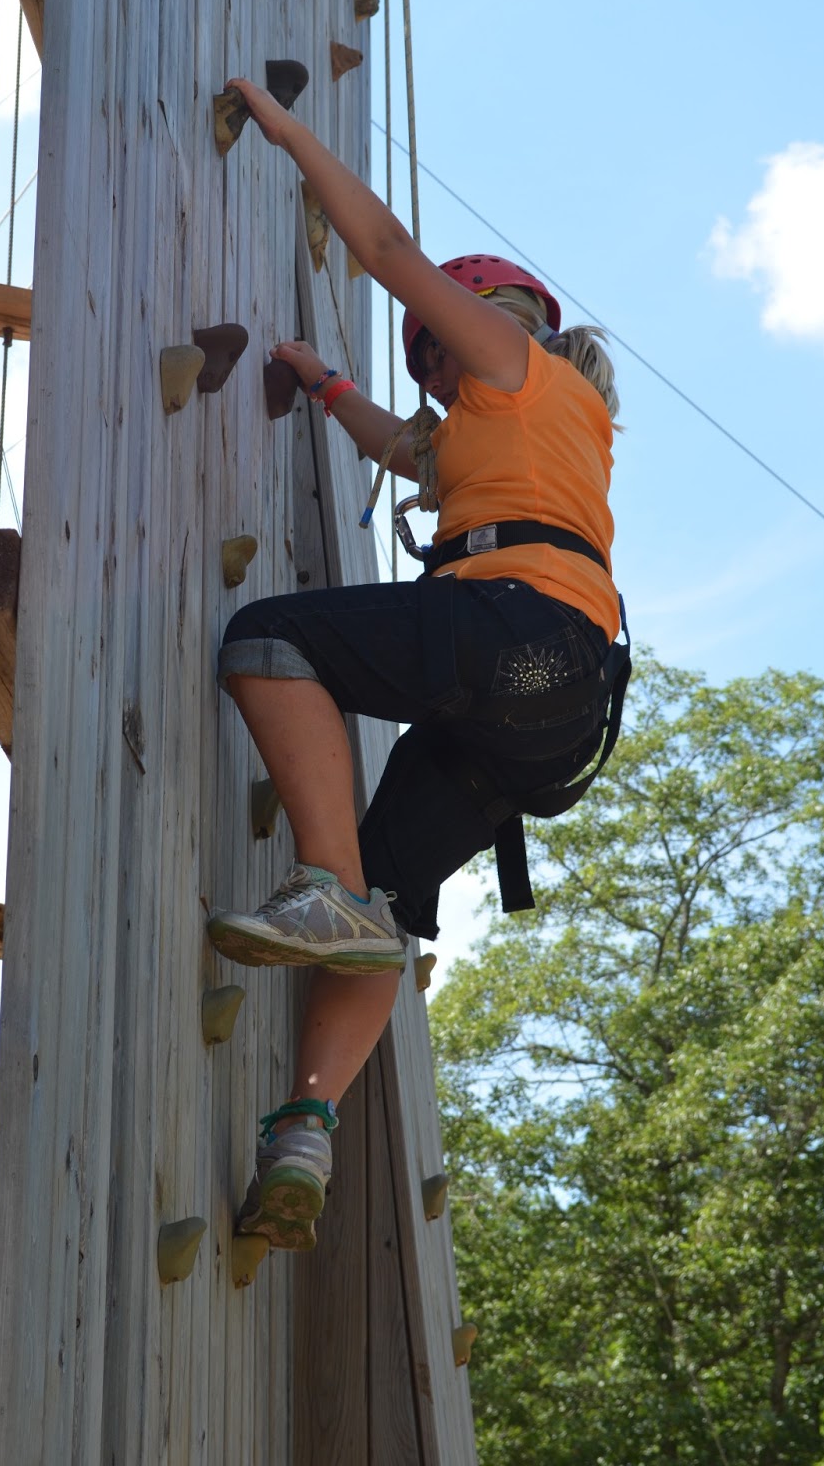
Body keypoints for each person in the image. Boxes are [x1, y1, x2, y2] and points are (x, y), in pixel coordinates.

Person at [206, 76, 627, 1253]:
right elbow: (398, 447)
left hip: (518, 631)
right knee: (390, 908)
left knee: (270, 638)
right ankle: (304, 1128)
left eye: (433, 353)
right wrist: (324, 378)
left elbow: (385, 244)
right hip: (555, 707)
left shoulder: (517, 362)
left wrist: (292, 136)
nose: (433, 381)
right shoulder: (518, 432)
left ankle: (324, 886)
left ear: (484, 320)